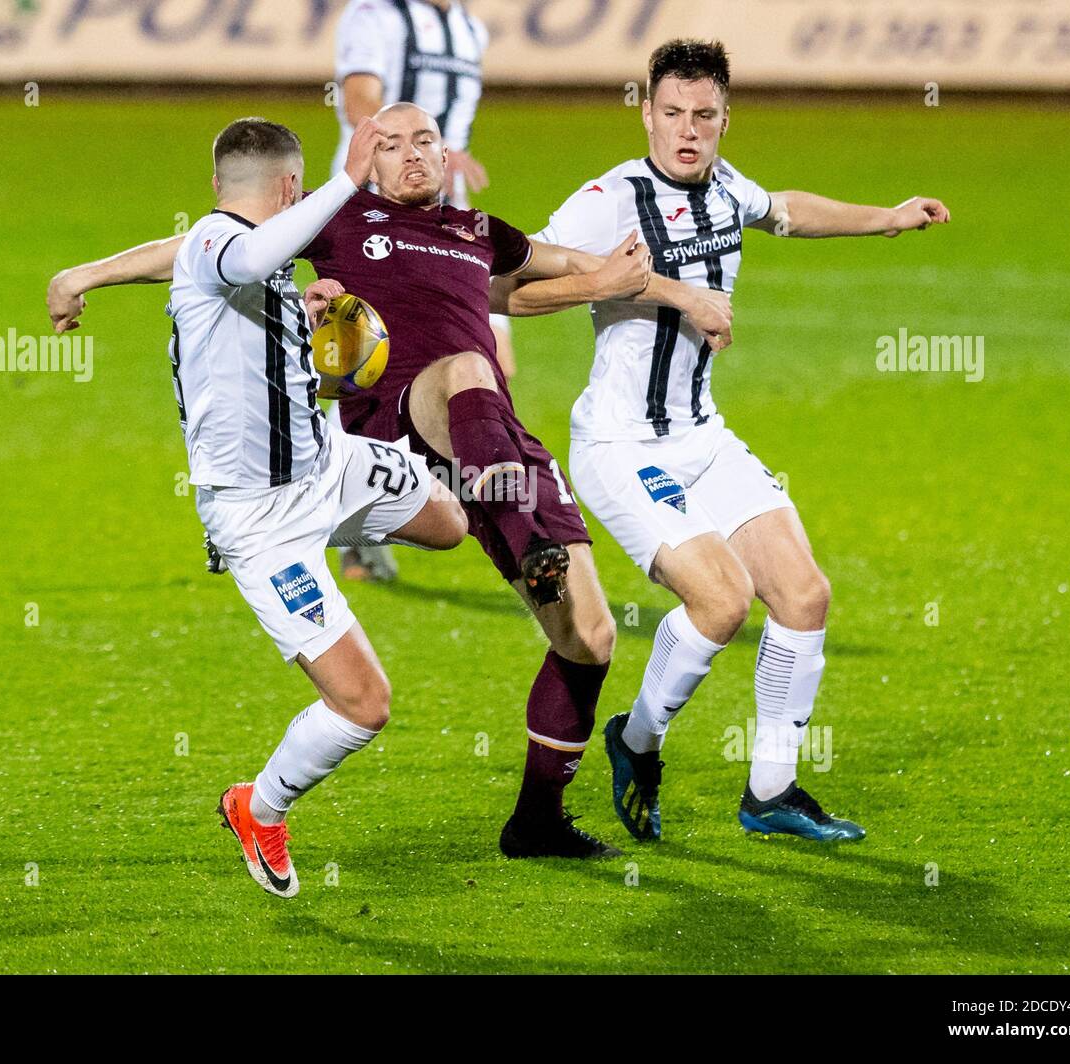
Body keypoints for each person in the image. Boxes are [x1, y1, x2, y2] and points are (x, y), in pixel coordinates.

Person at [47, 102, 735, 858]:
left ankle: (536, 821)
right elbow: (203, 247)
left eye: (426, 141)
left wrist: (676, 293)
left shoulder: (477, 235)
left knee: (591, 638)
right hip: (402, 420)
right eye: (392, 143)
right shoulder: (341, 218)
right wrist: (89, 273)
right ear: (367, 162)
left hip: (491, 439)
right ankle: (500, 531)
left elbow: (548, 274)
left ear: (447, 156)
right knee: (470, 371)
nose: (412, 154)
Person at [496, 38, 950, 843]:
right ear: (646, 112)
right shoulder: (610, 198)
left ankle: (770, 792)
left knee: (804, 595)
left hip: (702, 439)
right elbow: (507, 284)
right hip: (621, 447)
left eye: (704, 116)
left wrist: (885, 218)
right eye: (671, 113)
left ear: (724, 121)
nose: (687, 130)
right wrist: (657, 289)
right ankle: (635, 742)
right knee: (720, 600)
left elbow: (783, 210)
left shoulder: (722, 186)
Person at [48, 116, 468, 898]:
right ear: (289, 188)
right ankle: (260, 805)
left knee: (451, 523)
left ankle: (407, 482)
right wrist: (349, 178)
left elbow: (235, 264)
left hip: (327, 465)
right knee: (364, 705)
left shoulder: (234, 254)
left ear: (219, 183)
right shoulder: (224, 245)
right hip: (262, 521)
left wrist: (86, 275)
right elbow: (236, 252)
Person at [330, 0, 510, 583]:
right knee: (364, 360)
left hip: (447, 217)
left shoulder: (471, 29)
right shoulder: (376, 18)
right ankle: (353, 524)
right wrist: (410, 147)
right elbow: (358, 98)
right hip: (373, 215)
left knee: (490, 362)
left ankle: (428, 507)